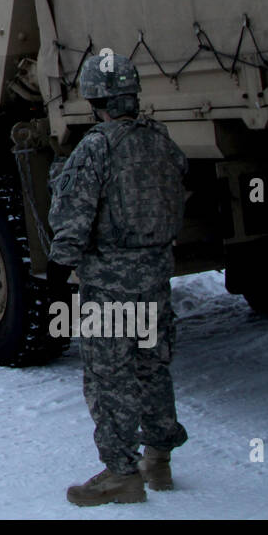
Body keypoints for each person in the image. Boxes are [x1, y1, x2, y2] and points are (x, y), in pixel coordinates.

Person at [46, 53, 189, 506]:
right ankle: (159, 459)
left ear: (94, 99)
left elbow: (72, 215)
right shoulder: (160, 139)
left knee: (110, 377)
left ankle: (121, 473)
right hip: (155, 274)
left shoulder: (97, 145)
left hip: (110, 282)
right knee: (152, 365)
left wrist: (56, 270)